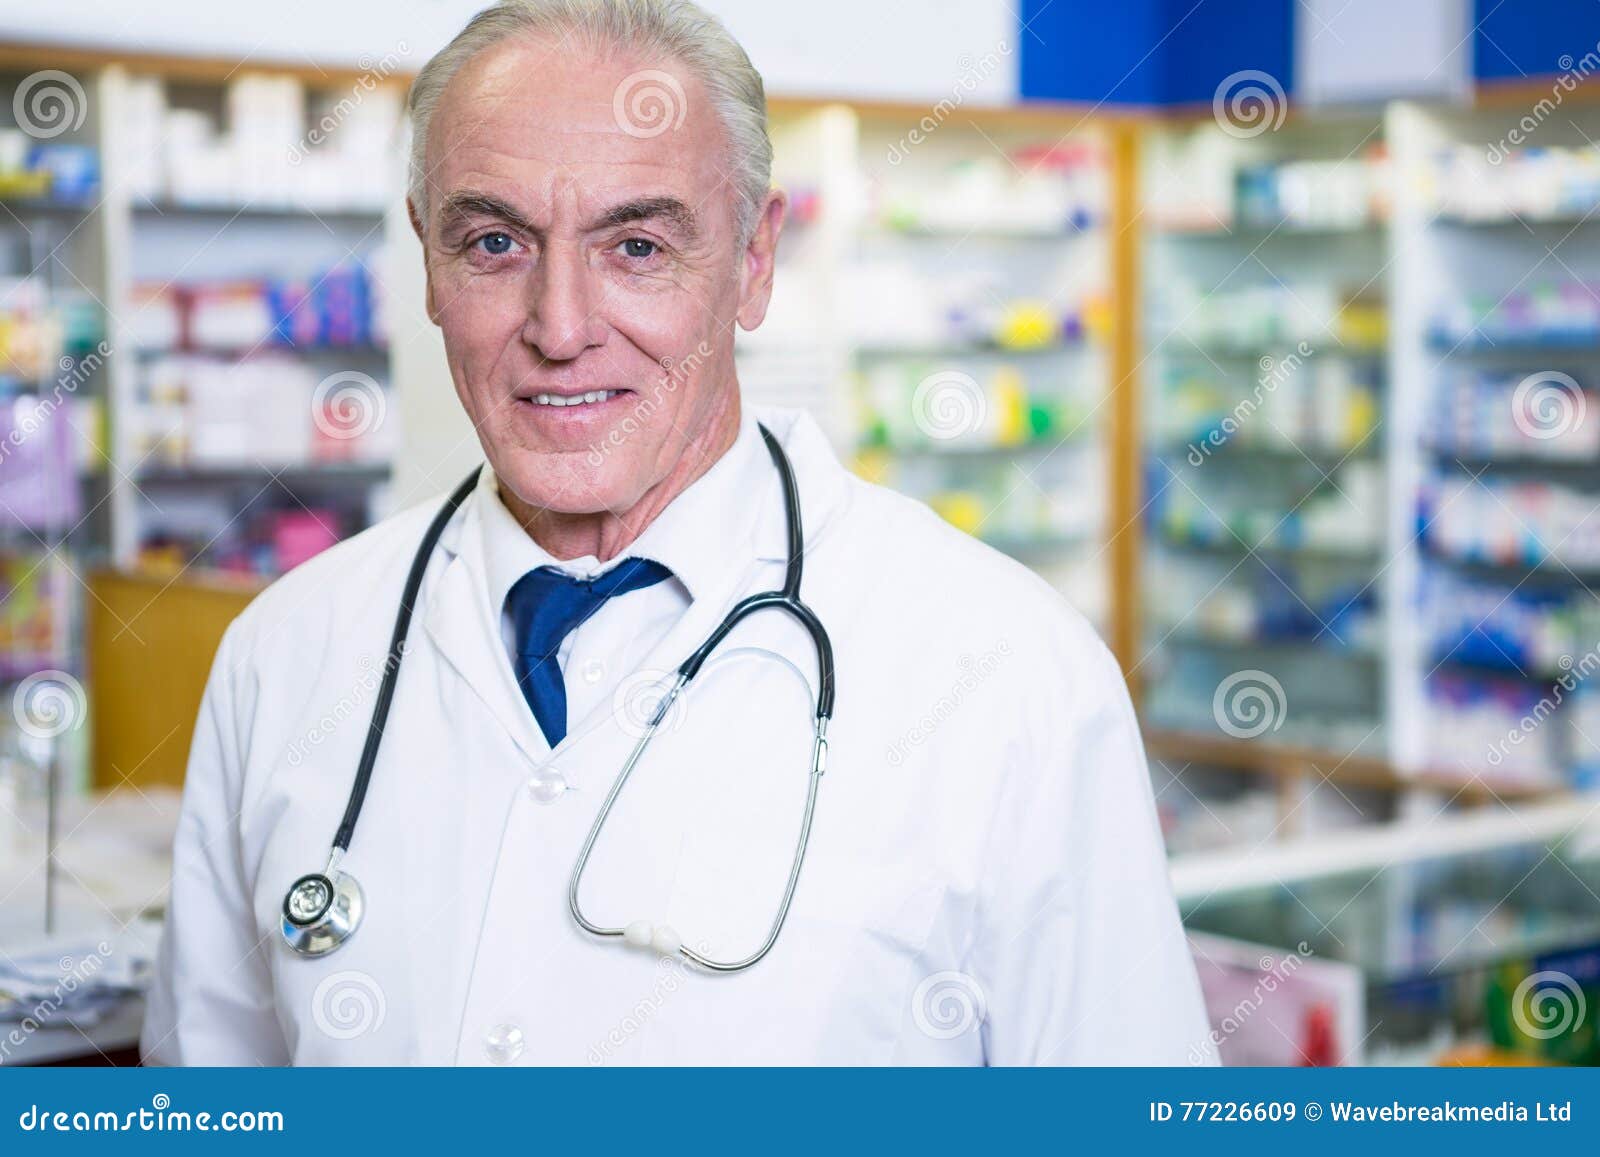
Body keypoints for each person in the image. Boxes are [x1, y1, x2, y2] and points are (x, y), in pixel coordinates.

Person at [141, 0, 1209, 1066]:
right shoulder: (285, 655)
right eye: (496, 241)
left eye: (638, 245)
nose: (560, 328)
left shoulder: (1008, 674)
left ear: (752, 260)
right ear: (427, 259)